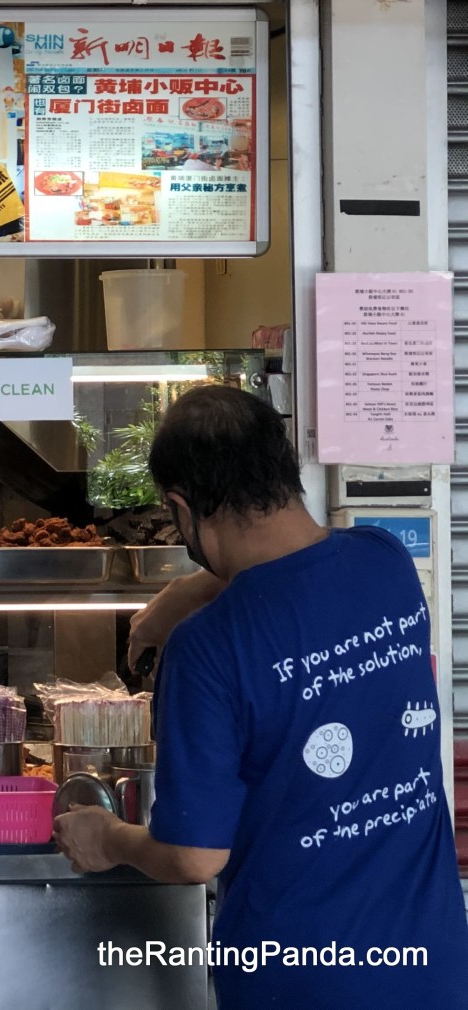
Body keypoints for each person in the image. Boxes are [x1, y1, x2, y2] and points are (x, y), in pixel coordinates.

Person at [53, 387, 468, 1009]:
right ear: (284, 468)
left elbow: (194, 858)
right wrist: (188, 593)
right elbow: (301, 579)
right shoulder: (385, 561)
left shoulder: (207, 649)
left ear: (180, 507)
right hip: (430, 961)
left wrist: (106, 838)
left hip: (297, 976)